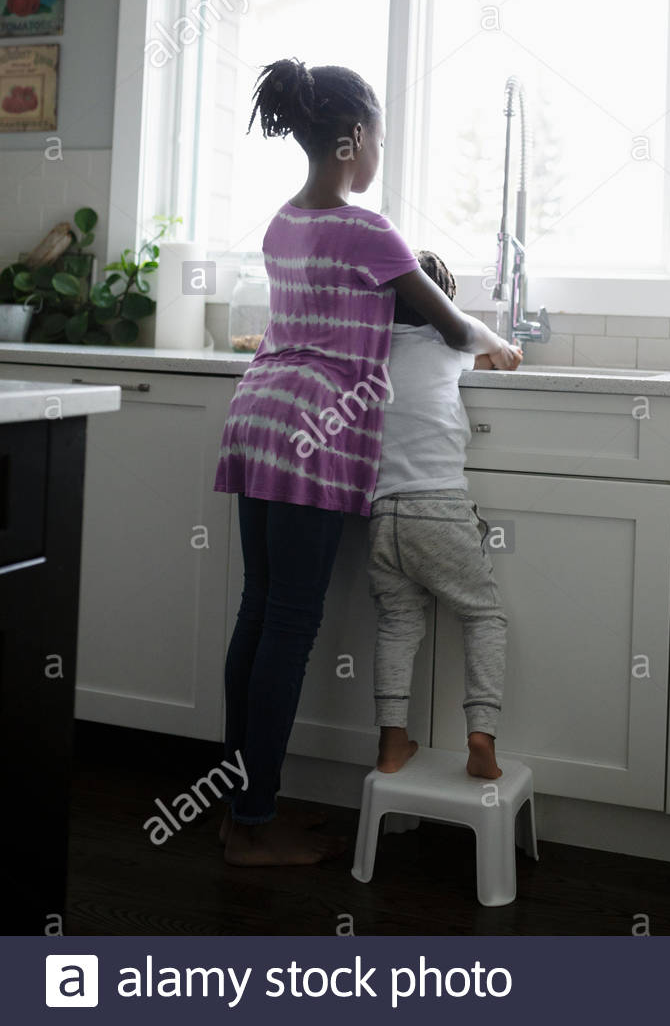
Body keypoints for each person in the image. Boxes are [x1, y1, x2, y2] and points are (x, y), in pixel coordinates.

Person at [212, 57, 522, 866]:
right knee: (289, 623)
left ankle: (241, 802)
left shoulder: (282, 222)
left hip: (258, 414)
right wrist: (501, 345)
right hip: (314, 430)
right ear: (354, 141)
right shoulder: (368, 229)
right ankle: (253, 823)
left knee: (258, 610)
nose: (380, 151)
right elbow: (452, 328)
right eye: (379, 137)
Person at [367, 251, 520, 781]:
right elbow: (488, 351)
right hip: (440, 509)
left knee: (398, 622)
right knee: (483, 615)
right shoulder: (446, 345)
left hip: (381, 515)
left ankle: (391, 743)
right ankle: (480, 734)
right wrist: (501, 349)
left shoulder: (374, 354)